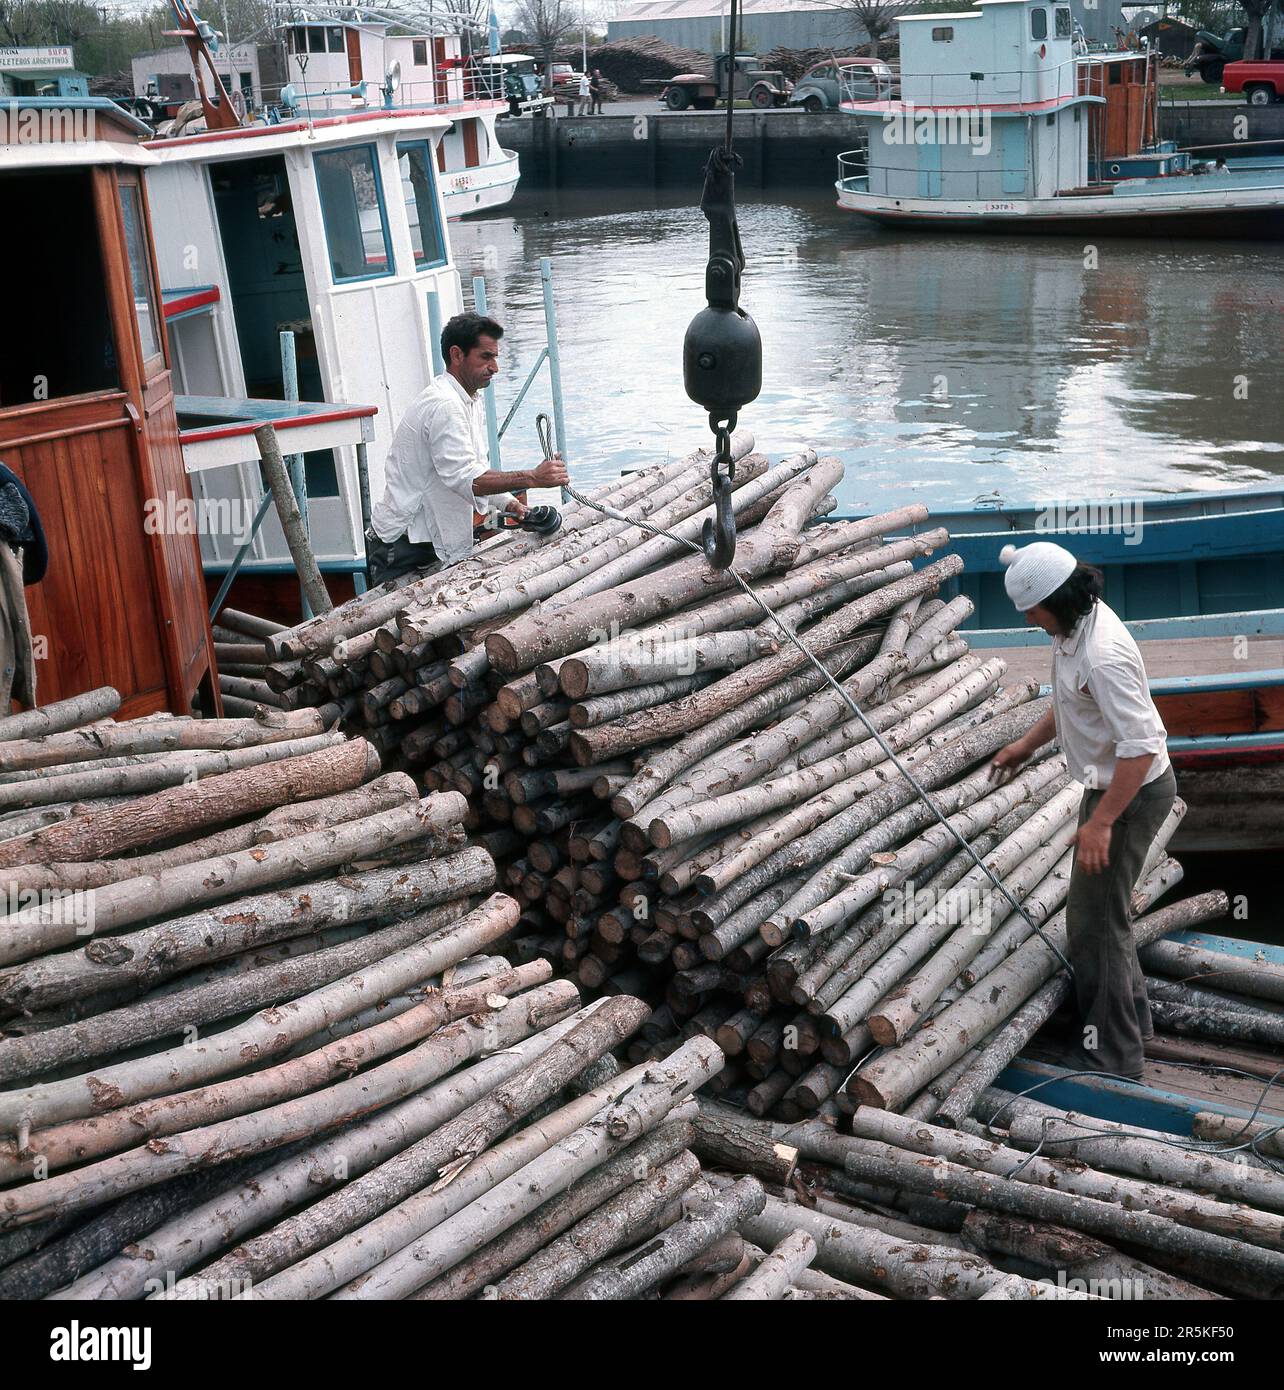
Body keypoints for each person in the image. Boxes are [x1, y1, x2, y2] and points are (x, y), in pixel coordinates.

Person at [988, 541, 1175, 1081]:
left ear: (1058, 601)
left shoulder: (1103, 653)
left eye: (1032, 609)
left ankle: (1112, 1055)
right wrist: (1025, 745)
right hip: (1114, 789)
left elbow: (1140, 748)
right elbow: (1070, 703)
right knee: (1101, 917)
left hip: (1131, 793)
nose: (1027, 618)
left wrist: (1101, 823)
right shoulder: (1073, 629)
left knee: (1094, 925)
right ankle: (1133, 1025)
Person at [366, 312, 569, 587]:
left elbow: (474, 466)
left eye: (495, 357)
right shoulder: (445, 406)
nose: (494, 367)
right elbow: (466, 478)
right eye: (485, 357)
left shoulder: (468, 399)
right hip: (404, 546)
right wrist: (532, 478)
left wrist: (509, 503)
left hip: (428, 540)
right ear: (457, 355)